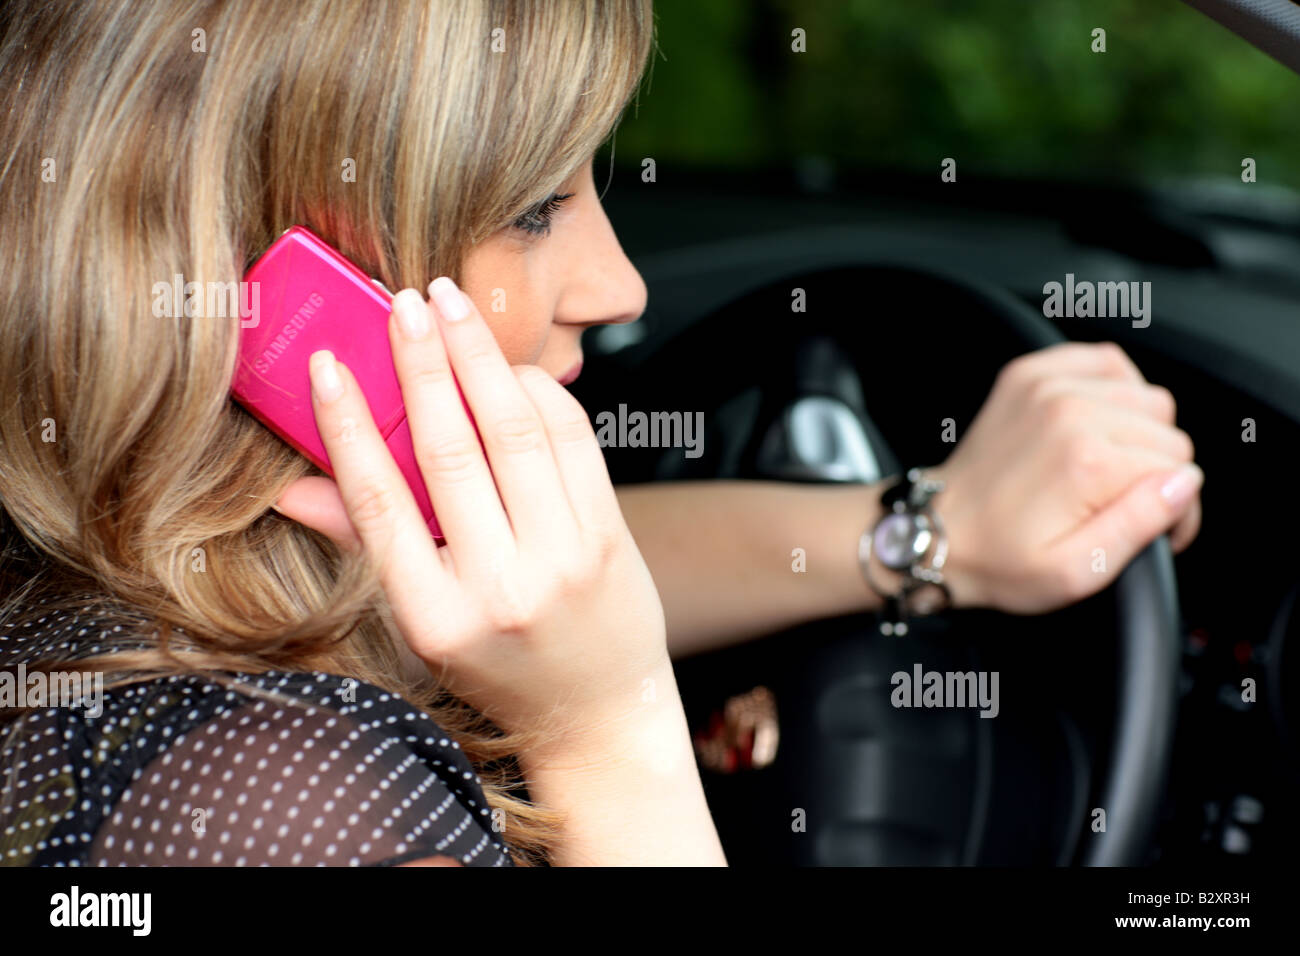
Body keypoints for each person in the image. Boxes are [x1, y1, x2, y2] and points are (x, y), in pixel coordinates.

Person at [0, 0, 1201, 868]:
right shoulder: (302, 804)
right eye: (533, 210)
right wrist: (609, 732)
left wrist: (932, 535)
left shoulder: (115, 595)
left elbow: (560, 573)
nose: (621, 285)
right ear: (282, 295)